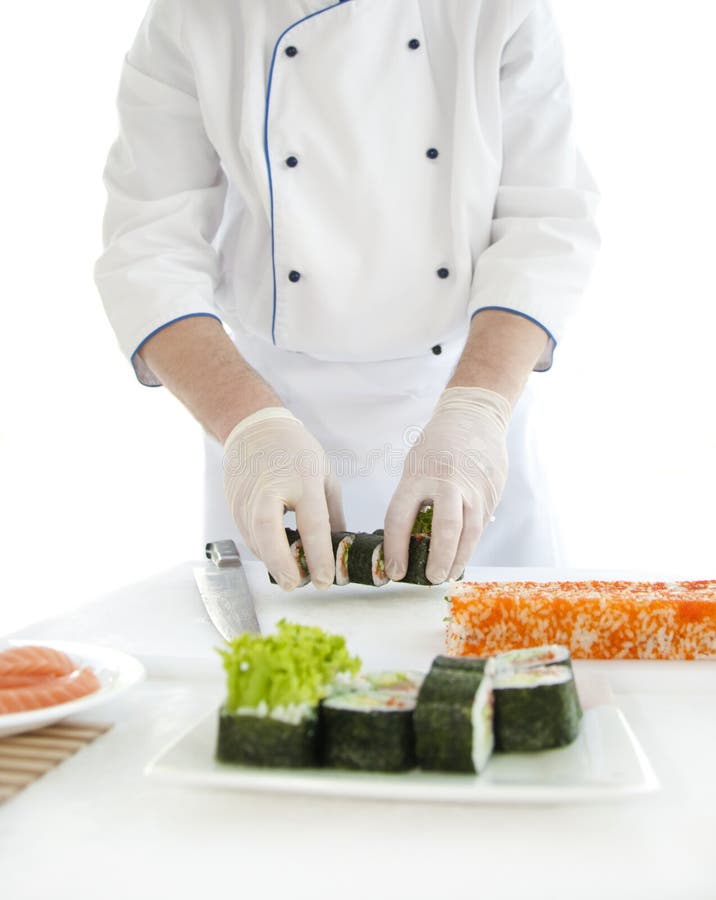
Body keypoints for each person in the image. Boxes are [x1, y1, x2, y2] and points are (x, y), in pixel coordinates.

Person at [94, 0, 600, 591]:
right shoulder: (195, 16)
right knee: (274, 672)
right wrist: (250, 425)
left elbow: (544, 223)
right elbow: (149, 249)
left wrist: (475, 413)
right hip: (269, 408)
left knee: (503, 659)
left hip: (463, 394)